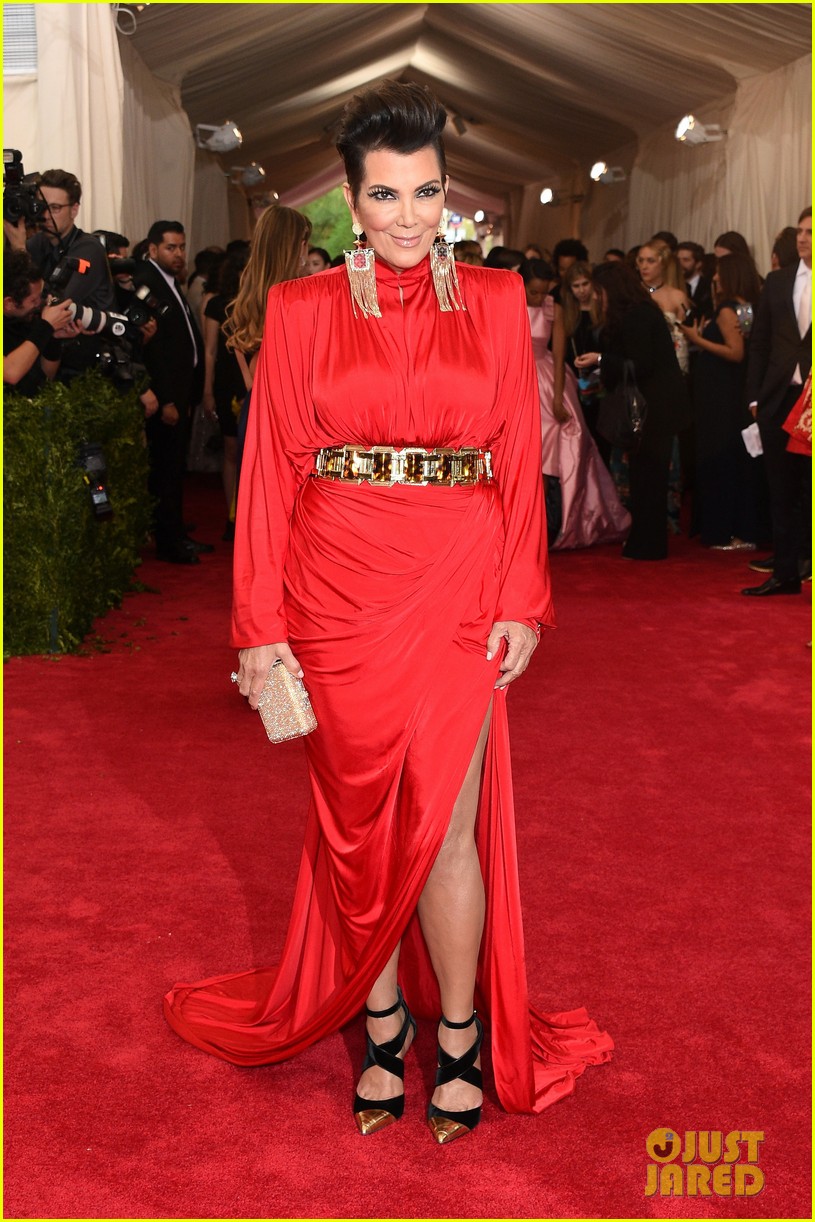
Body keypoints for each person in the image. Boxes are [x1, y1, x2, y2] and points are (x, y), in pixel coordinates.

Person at [164, 79, 612, 1143]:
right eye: (382, 195)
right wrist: (259, 629)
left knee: (446, 828)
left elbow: (514, 459)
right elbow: (269, 473)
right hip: (333, 591)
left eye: (424, 192)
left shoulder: (499, 302)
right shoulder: (301, 310)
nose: (406, 215)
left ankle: (454, 1032)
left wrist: (522, 598)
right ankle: (377, 1022)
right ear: (350, 203)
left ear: (446, 192)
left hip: (455, 586)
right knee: (354, 825)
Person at [576, 261, 691, 560]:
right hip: (657, 406)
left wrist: (601, 359)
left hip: (655, 408)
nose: (598, 298)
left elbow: (641, 365)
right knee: (646, 477)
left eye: (600, 291)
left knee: (648, 478)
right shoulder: (641, 311)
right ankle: (646, 541)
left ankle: (649, 544)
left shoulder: (637, 316)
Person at [525, 261, 630, 549]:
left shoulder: (552, 307)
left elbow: (559, 356)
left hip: (546, 379)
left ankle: (557, 522)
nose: (538, 297)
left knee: (565, 443)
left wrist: (558, 396)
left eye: (543, 291)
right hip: (517, 376)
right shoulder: (507, 304)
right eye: (533, 292)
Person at [742, 207, 812, 596]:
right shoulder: (778, 280)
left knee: (810, 491)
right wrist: (754, 397)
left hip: (813, 401)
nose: (802, 238)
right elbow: (760, 342)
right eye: (801, 231)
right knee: (780, 490)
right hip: (777, 398)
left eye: (810, 232)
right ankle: (785, 573)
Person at [222, 204, 313, 493]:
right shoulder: (299, 301)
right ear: (298, 246)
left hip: (255, 416)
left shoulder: (247, 299)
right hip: (290, 425)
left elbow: (251, 383)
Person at [134, 220, 208, 564]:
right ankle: (169, 540)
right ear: (152, 250)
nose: (179, 254)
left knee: (174, 467)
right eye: (170, 248)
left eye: (181, 247)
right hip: (167, 395)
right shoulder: (146, 284)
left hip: (180, 391)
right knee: (165, 469)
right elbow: (153, 351)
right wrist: (165, 398)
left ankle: (176, 531)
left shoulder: (168, 282)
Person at [680, 253, 762, 549]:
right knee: (734, 460)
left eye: (717, 274)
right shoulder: (744, 307)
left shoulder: (729, 310)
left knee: (723, 459)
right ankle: (738, 528)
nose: (713, 279)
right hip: (730, 394)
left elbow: (736, 352)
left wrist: (696, 339)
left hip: (723, 398)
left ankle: (727, 529)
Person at [2, 250, 79, 393]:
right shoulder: (38, 325)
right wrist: (46, 326)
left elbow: (46, 378)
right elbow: (10, 373)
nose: (40, 303)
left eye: (40, 295)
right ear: (9, 303)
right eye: (33, 300)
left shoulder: (24, 320)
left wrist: (54, 338)